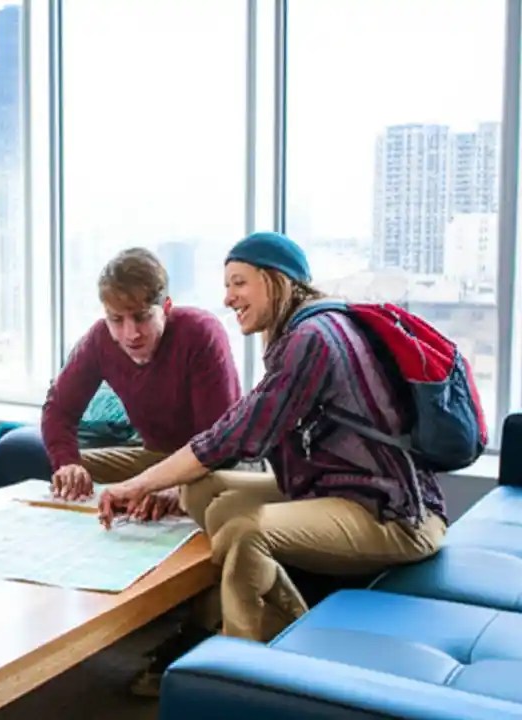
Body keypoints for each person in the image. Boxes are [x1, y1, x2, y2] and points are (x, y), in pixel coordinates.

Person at [97, 231, 448, 693]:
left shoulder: (312, 338)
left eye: (239, 282)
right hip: (335, 485)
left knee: (246, 533)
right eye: (226, 285)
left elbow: (237, 435)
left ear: (276, 280)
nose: (228, 297)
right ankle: (293, 635)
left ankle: (237, 682)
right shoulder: (306, 330)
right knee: (207, 495)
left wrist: (137, 484)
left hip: (391, 512)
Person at [0, 247, 242, 519]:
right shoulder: (100, 340)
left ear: (166, 308)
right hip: (155, 457)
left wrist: (178, 487)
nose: (130, 333)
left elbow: (221, 443)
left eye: (142, 317)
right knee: (69, 480)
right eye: (116, 319)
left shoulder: (201, 332)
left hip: (219, 464)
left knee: (197, 494)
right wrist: (68, 464)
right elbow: (59, 408)